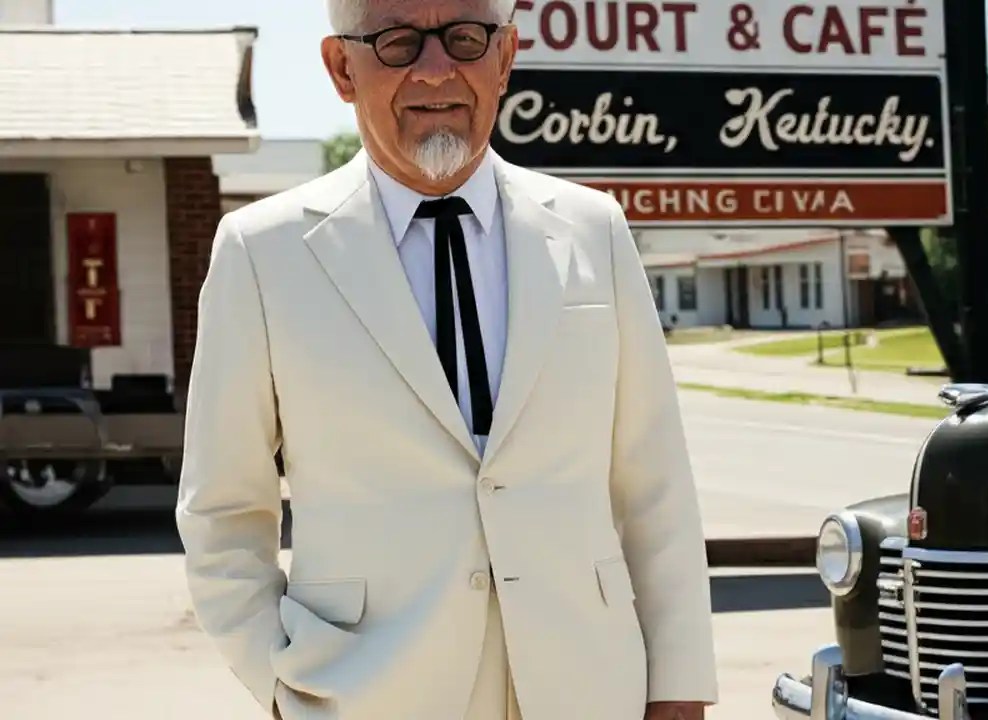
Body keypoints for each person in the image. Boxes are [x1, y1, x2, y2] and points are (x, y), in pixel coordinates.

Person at [173, 0, 718, 718]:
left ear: (505, 57)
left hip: (588, 689)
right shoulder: (260, 253)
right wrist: (281, 684)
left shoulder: (594, 231)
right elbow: (222, 509)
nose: (438, 70)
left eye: (464, 38)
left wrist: (678, 686)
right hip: (365, 694)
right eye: (398, 44)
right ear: (342, 68)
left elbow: (656, 483)